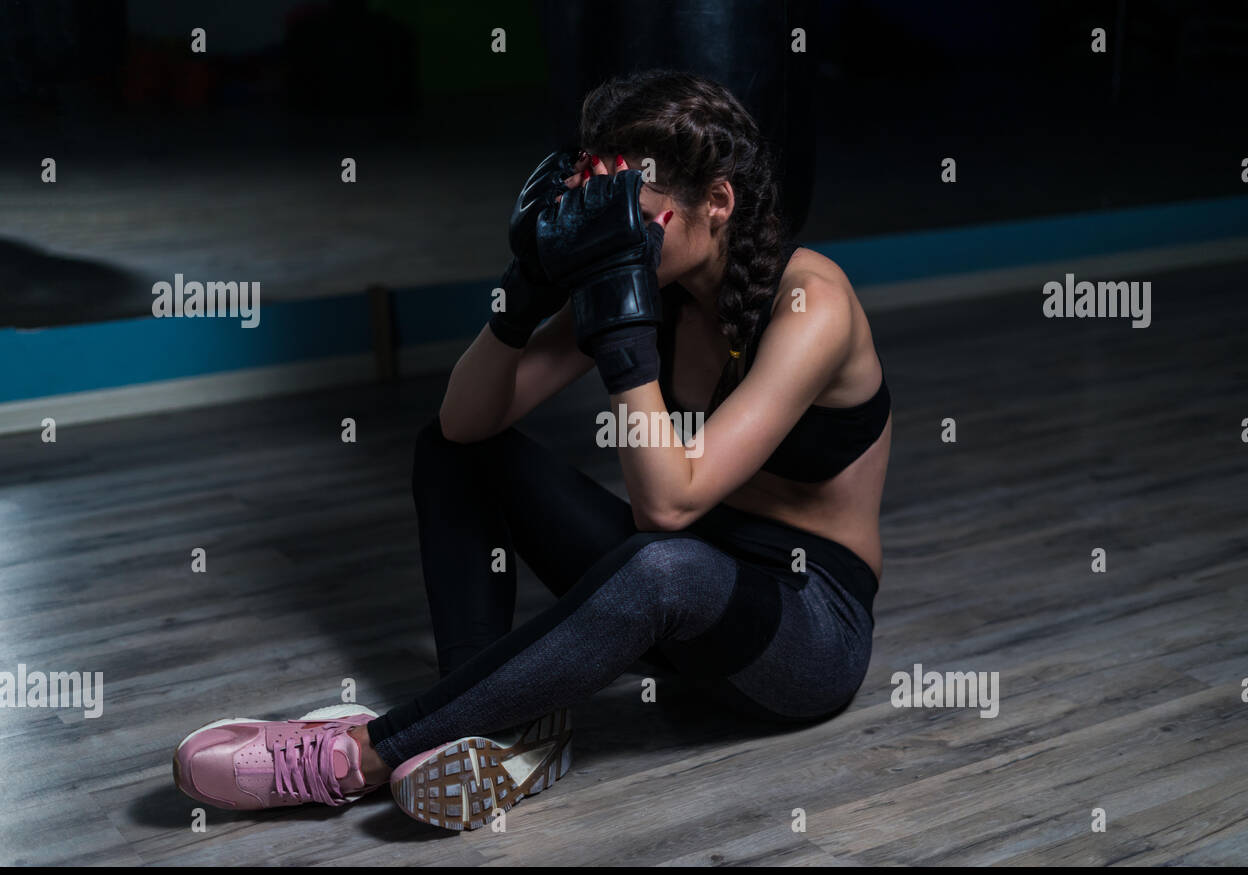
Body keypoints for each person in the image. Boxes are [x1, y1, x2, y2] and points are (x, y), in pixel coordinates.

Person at [172, 70, 891, 830]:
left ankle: (359, 757)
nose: (619, 241)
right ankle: (482, 728)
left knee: (663, 562)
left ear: (717, 203)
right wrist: (525, 292)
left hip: (804, 634)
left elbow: (670, 504)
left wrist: (617, 316)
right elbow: (463, 422)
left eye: (639, 224)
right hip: (681, 603)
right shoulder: (662, 285)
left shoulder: (814, 303)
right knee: (455, 453)